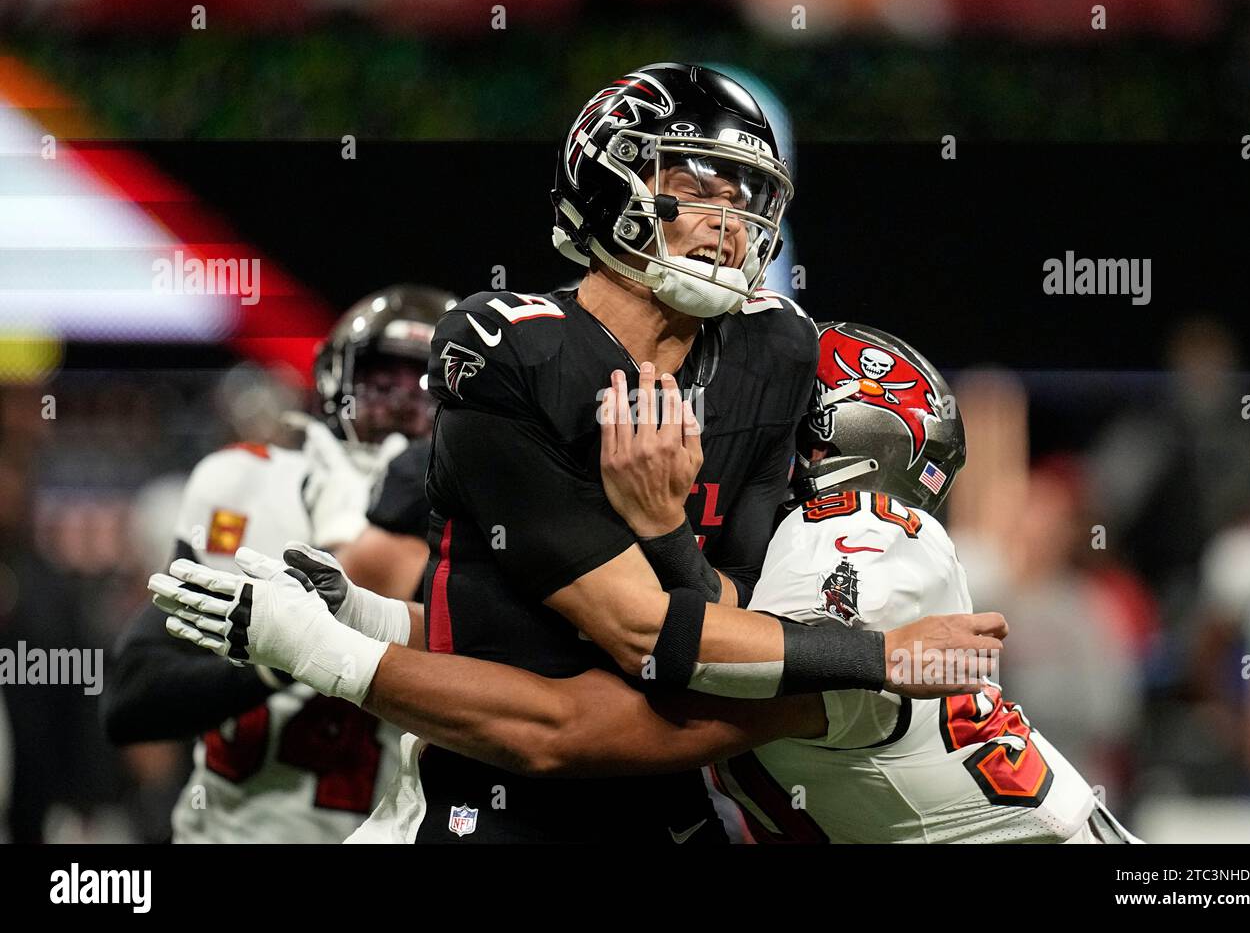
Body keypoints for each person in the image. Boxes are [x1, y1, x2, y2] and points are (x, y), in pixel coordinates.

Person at [152, 64, 1005, 843]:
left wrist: (667, 531)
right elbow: (640, 635)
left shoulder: (773, 351)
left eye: (749, 194)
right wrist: (882, 654)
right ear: (612, 181)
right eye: (698, 184)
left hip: (669, 802)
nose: (729, 221)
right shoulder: (512, 352)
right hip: (495, 798)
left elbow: (735, 604)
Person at [151, 323, 1038, 843]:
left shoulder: (852, 559)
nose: (713, 424)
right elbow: (579, 661)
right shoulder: (796, 572)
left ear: (824, 442)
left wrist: (319, 647)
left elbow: (565, 727)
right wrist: (373, 617)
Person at [103, 285, 455, 842]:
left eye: (427, 394)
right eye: (383, 386)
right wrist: (274, 658)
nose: (402, 412)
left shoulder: (476, 529)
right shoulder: (246, 484)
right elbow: (131, 700)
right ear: (337, 381)